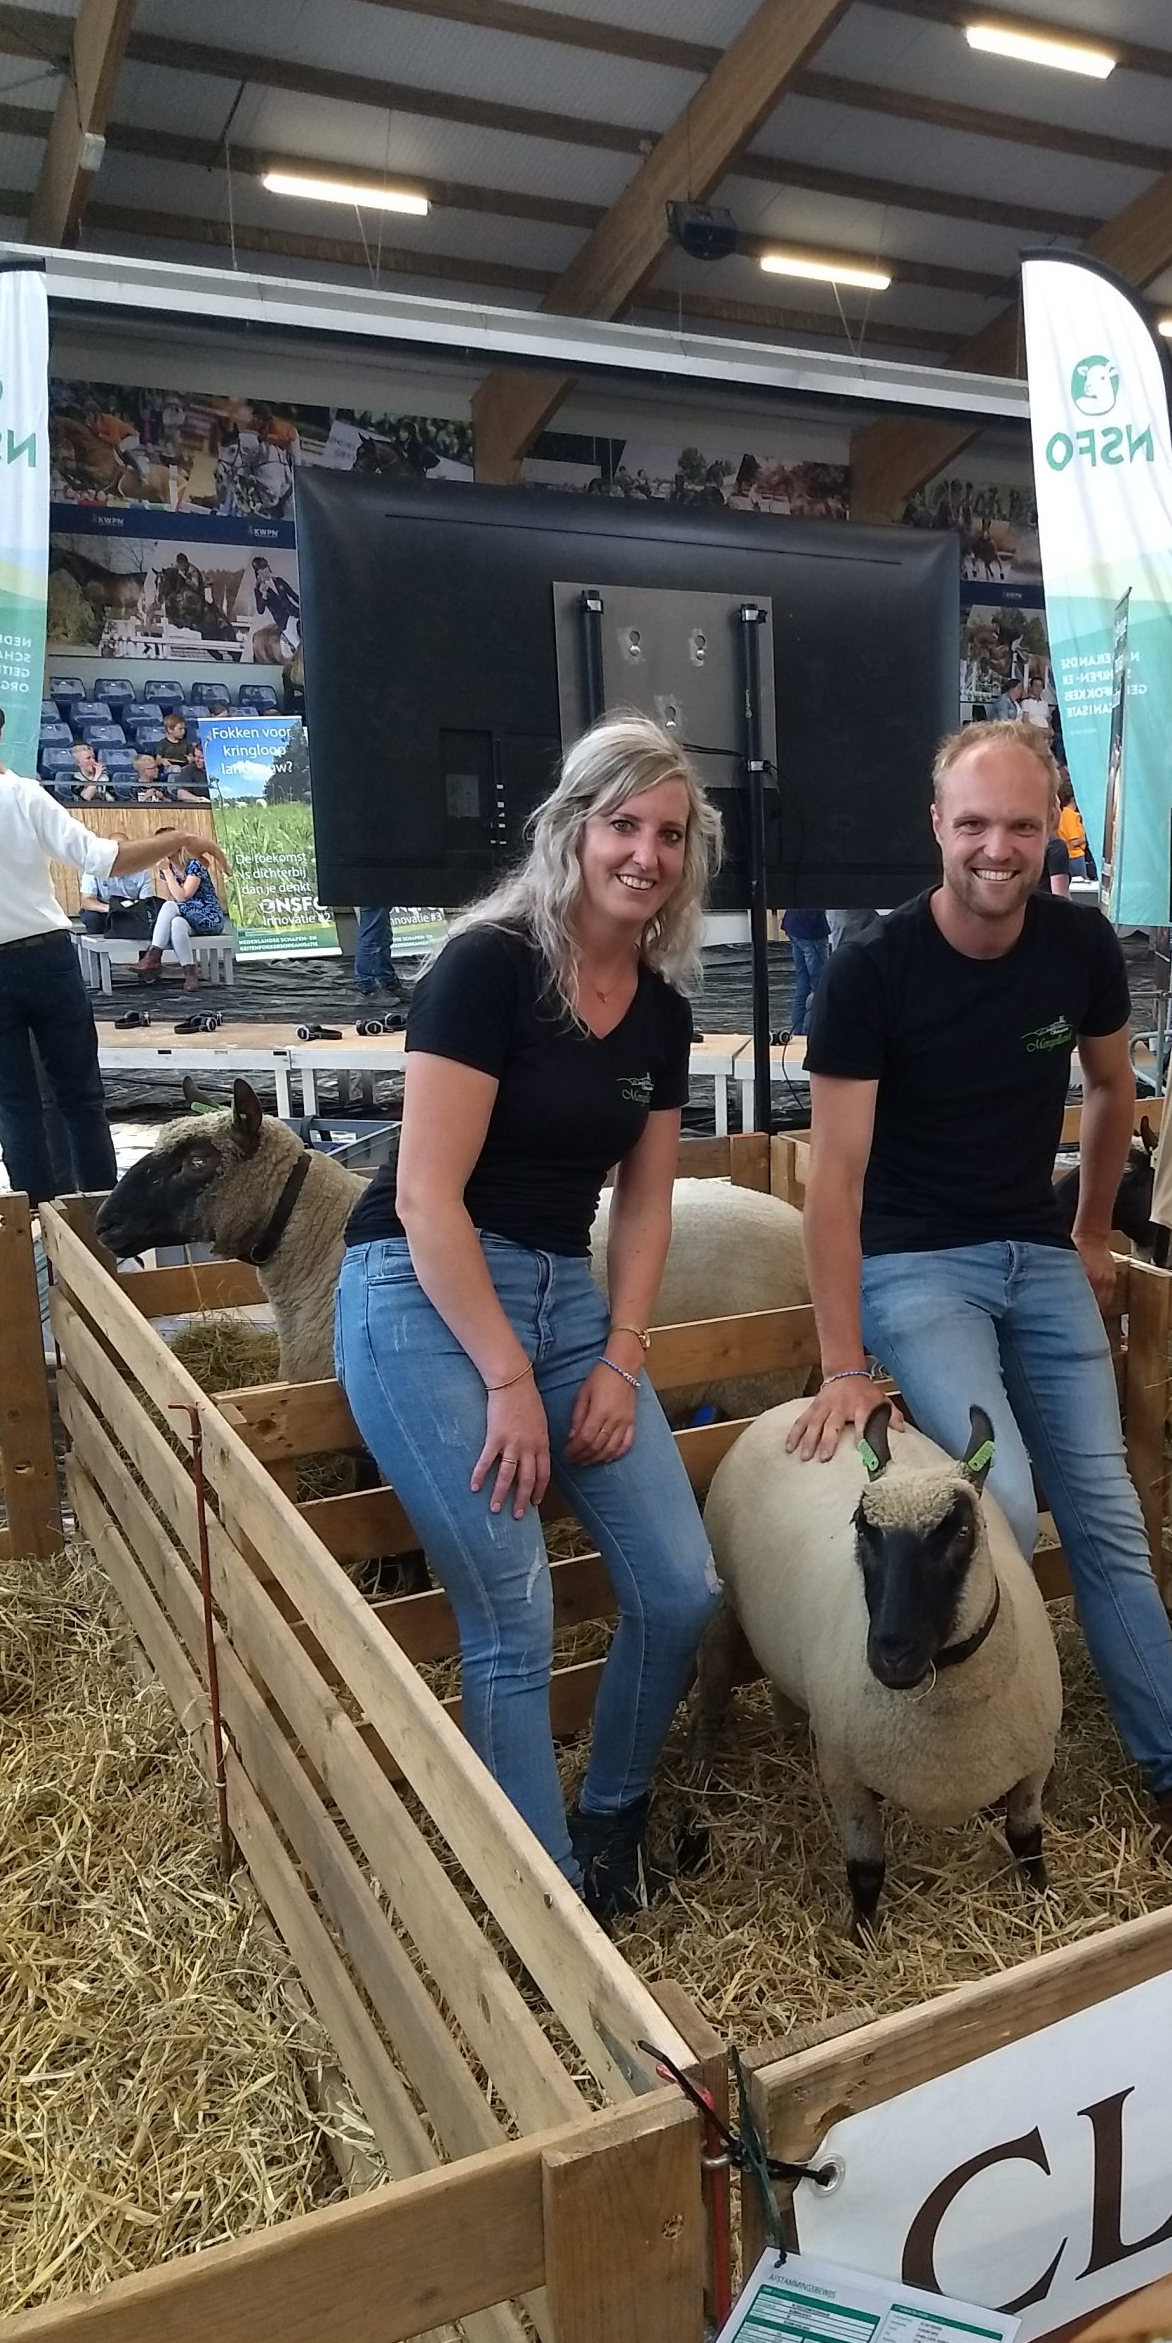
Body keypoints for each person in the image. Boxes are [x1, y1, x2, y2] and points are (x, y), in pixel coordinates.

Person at [792, 717, 1172, 1885]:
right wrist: (844, 1358)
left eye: (1019, 825)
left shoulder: (1078, 945)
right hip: (917, 1264)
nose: (996, 849)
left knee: (1101, 1515)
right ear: (936, 827)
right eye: (973, 825)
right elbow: (834, 1177)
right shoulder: (873, 969)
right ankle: (962, 1738)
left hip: (1034, 1250)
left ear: (1048, 828)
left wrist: (1092, 1226)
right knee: (996, 1498)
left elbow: (1113, 1090)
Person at [333, 713, 723, 1922]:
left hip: (565, 1297)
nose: (644, 855)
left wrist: (619, 1355)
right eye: (622, 825)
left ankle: (608, 1818)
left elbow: (648, 1209)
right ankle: (547, 1910)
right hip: (423, 1290)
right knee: (511, 1599)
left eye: (669, 833)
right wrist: (509, 1378)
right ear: (573, 828)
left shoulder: (658, 1013)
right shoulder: (487, 966)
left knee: (680, 1585)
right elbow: (422, 1193)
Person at [0, 692, 231, 1199]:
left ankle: (37, 1218)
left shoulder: (24, 795)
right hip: (46, 956)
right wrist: (179, 837)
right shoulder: (24, 795)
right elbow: (106, 859)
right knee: (80, 1095)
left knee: (15, 1104)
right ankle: (103, 1216)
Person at [137, 849, 228, 988]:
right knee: (176, 923)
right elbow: (173, 895)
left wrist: (166, 871)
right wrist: (167, 872)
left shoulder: (194, 865)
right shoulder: (170, 870)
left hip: (209, 917)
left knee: (169, 906)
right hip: (189, 918)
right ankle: (190, 974)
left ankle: (153, 956)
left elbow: (183, 897)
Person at [783, 904, 832, 1037]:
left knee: (802, 984)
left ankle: (798, 1032)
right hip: (811, 932)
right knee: (820, 987)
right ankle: (810, 1032)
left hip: (794, 926)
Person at [78, 863, 157, 941]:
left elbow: (145, 902)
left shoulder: (142, 871)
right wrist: (111, 909)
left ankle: (146, 951)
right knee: (93, 919)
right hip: (103, 910)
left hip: (131, 910)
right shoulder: (93, 870)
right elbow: (87, 901)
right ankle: (96, 949)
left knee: (149, 919)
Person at [353, 903, 403, 1000]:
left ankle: (386, 982)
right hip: (371, 892)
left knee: (382, 935)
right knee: (372, 936)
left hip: (377, 892)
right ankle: (368, 988)